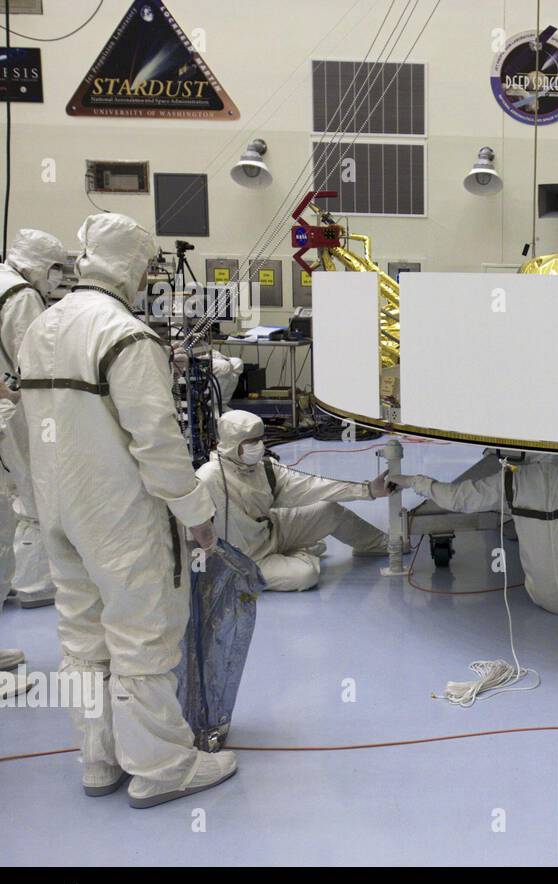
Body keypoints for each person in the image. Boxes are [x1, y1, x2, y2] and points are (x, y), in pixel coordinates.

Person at [18, 212, 236, 808]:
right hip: (117, 514)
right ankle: (161, 767)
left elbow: (25, 426)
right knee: (142, 635)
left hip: (57, 507)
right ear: (132, 267)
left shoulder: (40, 328)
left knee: (83, 636)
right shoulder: (125, 336)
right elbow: (157, 442)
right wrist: (195, 512)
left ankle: (99, 759)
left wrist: (34, 500)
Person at [392, 454, 558, 614]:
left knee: (519, 514)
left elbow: (456, 499)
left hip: (540, 598)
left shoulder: (513, 480)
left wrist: (409, 481)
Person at [195, 409, 393, 591]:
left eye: (260, 440)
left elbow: (313, 486)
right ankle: (304, 550)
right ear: (232, 444)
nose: (258, 446)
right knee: (306, 575)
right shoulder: (209, 478)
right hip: (248, 560)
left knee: (329, 510)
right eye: (251, 442)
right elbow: (191, 524)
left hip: (273, 531)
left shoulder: (264, 468)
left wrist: (368, 490)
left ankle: (387, 545)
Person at [0, 228, 67, 608]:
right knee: (34, 493)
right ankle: (33, 581)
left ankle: (11, 577)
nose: (57, 276)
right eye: (56, 267)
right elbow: (38, 364)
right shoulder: (22, 297)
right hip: (15, 412)